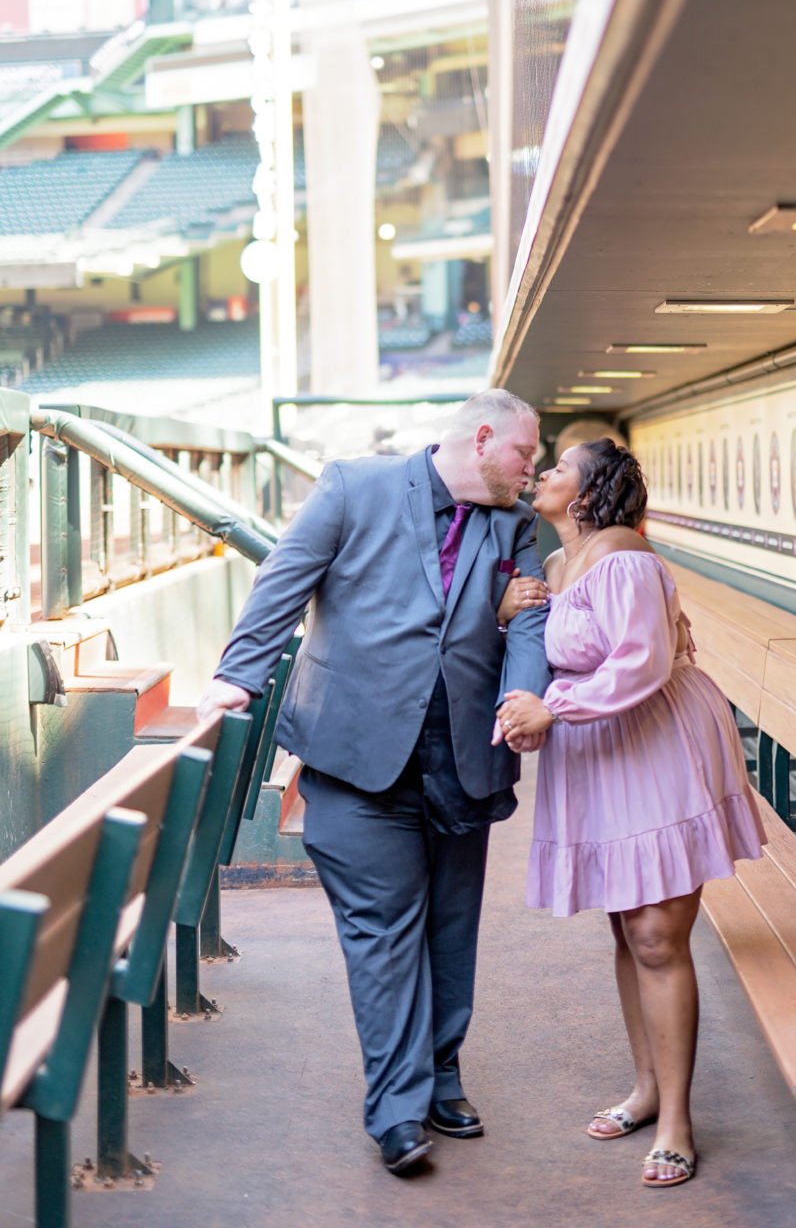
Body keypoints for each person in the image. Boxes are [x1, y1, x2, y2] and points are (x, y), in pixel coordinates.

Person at [198, 390, 551, 1176]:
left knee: (450, 927)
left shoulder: (515, 523)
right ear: (484, 440)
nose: (534, 470)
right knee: (384, 927)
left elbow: (529, 617)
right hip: (356, 754)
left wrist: (523, 695)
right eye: (526, 454)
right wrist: (237, 678)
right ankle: (396, 1110)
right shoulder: (355, 486)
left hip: (464, 754)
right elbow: (284, 581)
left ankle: (441, 1074)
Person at [495, 438, 765, 1190]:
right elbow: (547, 651)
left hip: (653, 742)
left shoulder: (624, 559)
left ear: (586, 494)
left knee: (656, 934)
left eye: (557, 467)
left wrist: (552, 707)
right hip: (598, 749)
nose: (544, 474)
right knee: (626, 924)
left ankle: (677, 1119)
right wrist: (503, 613)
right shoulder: (557, 567)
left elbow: (640, 662)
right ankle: (646, 1090)